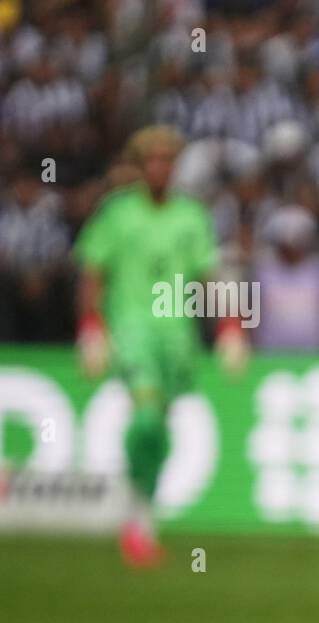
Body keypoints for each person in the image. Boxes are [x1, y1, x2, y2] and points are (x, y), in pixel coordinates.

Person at [74, 125, 247, 567]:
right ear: (138, 165)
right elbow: (93, 270)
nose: (159, 169)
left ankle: (140, 516)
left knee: (160, 430)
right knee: (147, 420)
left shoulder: (190, 216)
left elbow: (209, 276)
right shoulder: (117, 212)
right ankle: (135, 512)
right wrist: (91, 325)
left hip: (177, 339)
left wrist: (229, 327)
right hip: (132, 333)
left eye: (167, 161)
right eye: (151, 160)